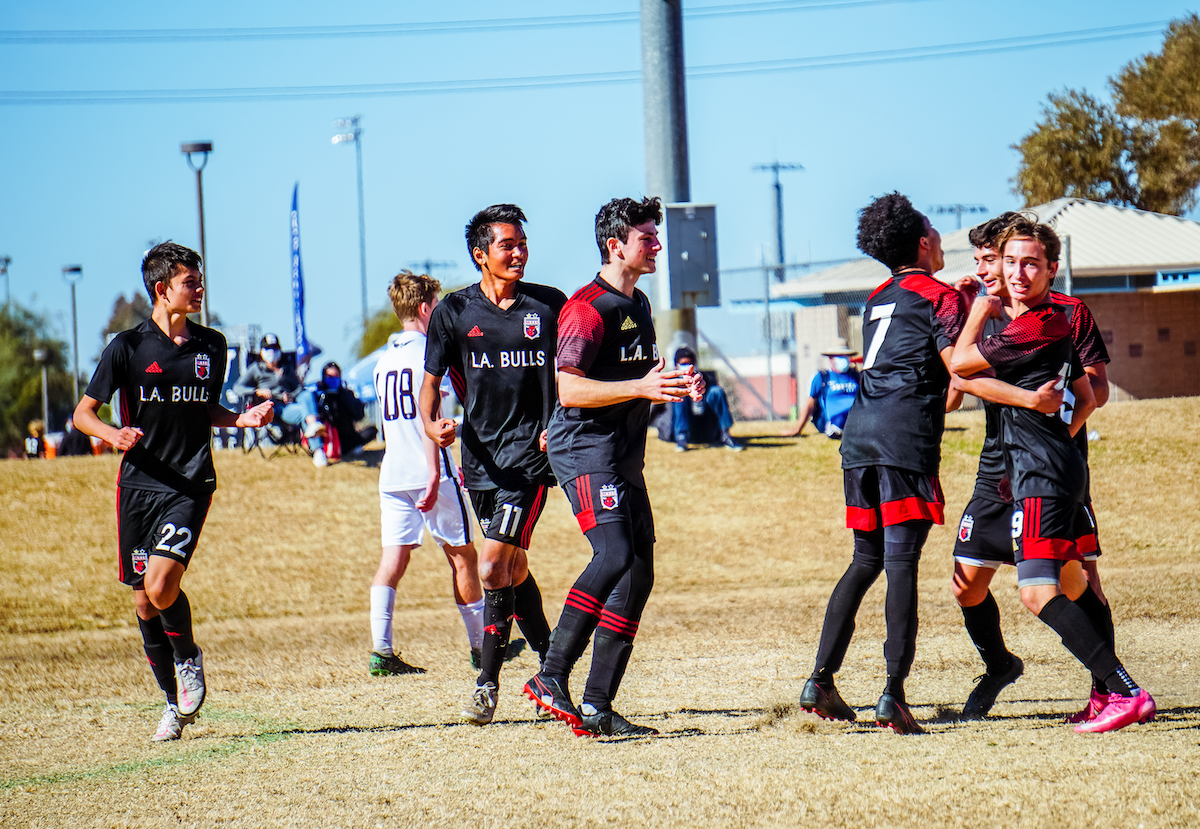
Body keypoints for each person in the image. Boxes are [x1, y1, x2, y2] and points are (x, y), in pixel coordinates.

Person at [951, 215, 1155, 733]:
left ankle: (1114, 690)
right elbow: (957, 390)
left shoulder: (1056, 315)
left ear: (1046, 269)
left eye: (997, 260)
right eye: (989, 261)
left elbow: (1093, 391)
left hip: (1045, 469)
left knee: (1068, 582)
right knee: (972, 583)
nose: (993, 270)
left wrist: (1055, 437)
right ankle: (1018, 671)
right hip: (1006, 468)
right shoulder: (991, 311)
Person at [72, 242, 273, 741]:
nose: (200, 288)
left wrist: (240, 418)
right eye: (191, 281)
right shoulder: (127, 348)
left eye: (200, 279)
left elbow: (207, 410)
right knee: (144, 603)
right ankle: (172, 706)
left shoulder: (212, 345)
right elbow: (83, 413)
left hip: (190, 481)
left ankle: (188, 658)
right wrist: (112, 434)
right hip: (138, 485)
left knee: (162, 587)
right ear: (162, 290)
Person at [525, 196, 703, 738]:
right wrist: (641, 386)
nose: (657, 245)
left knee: (639, 570)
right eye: (647, 237)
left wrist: (673, 380)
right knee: (615, 552)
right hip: (583, 448)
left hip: (623, 454)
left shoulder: (640, 304)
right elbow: (569, 387)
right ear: (615, 245)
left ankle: (599, 705)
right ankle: (551, 675)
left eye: (655, 235)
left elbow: (643, 370)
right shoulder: (586, 308)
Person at [798, 192, 965, 735]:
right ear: (922, 241)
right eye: (935, 229)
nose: (941, 238)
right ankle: (892, 693)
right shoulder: (940, 296)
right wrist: (979, 306)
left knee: (864, 559)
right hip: (903, 439)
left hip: (859, 437)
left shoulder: (879, 296)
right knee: (900, 565)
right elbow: (957, 373)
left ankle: (820, 679)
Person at [420, 204, 564, 726]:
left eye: (522, 243)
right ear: (481, 254)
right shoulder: (454, 313)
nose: (519, 252)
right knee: (512, 566)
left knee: (489, 565)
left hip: (531, 460)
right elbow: (431, 383)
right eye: (507, 244)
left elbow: (573, 369)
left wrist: (561, 423)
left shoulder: (548, 306)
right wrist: (431, 424)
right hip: (479, 462)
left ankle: (486, 684)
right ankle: (554, 668)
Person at [368, 271, 493, 677]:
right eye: (437, 304)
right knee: (463, 557)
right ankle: (482, 648)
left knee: (393, 559)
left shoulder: (383, 360)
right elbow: (431, 419)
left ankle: (381, 651)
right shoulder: (430, 354)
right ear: (426, 308)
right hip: (428, 470)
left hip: (393, 472)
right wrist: (436, 473)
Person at [232, 333, 330, 467]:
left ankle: (313, 426)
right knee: (304, 413)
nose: (272, 352)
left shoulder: (287, 367)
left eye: (275, 348)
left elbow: (299, 388)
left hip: (292, 402)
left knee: (307, 395)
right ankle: (318, 449)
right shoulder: (256, 369)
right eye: (268, 349)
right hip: (276, 408)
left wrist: (290, 394)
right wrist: (256, 391)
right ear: (261, 351)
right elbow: (237, 387)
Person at [651, 346, 741, 452]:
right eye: (683, 364)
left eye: (689, 364)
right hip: (680, 427)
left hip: (705, 425)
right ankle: (681, 438)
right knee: (680, 394)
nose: (686, 367)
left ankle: (726, 434)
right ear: (676, 365)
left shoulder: (705, 380)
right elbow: (655, 408)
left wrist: (699, 392)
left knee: (716, 391)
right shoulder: (670, 382)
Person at [784, 339, 860, 438]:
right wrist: (798, 429)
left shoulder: (855, 375)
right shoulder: (822, 377)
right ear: (831, 358)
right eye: (840, 356)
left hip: (855, 417)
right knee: (840, 420)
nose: (844, 359)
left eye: (845, 355)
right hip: (835, 419)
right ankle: (835, 430)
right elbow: (810, 404)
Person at [315, 361, 377, 456]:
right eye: (330, 377)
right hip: (328, 438)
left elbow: (359, 416)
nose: (333, 379)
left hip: (347, 436)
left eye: (336, 376)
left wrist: (347, 399)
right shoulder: (318, 396)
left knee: (371, 431)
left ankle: (349, 448)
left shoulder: (346, 394)